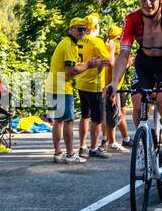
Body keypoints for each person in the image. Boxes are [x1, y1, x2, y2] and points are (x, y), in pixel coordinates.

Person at [106, 0, 162, 183]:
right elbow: (123, 55)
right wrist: (114, 83)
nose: (147, 2)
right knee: (137, 102)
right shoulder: (131, 19)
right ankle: (144, 143)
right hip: (144, 63)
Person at [48, 18, 93, 164]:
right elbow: (72, 70)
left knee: (58, 120)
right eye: (79, 29)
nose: (82, 32)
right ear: (71, 29)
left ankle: (58, 153)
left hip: (55, 84)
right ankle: (70, 154)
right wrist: (89, 65)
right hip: (62, 86)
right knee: (68, 120)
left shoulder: (69, 43)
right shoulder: (69, 44)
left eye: (84, 29)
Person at [75, 14, 112, 156]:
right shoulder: (96, 42)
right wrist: (111, 50)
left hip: (80, 82)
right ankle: (94, 148)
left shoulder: (78, 39)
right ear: (96, 26)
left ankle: (82, 146)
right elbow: (110, 61)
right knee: (97, 119)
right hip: (94, 84)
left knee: (84, 116)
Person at [104, 24, 127, 150]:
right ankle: (111, 141)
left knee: (111, 113)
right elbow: (113, 64)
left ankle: (108, 140)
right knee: (113, 114)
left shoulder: (105, 44)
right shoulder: (115, 46)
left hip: (111, 84)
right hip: (113, 84)